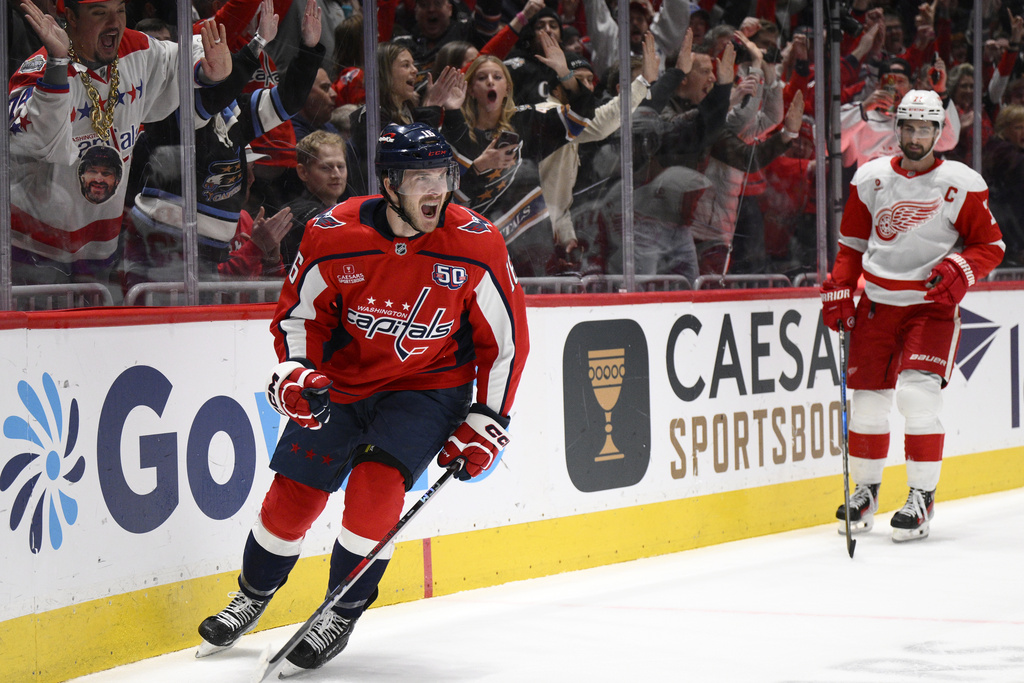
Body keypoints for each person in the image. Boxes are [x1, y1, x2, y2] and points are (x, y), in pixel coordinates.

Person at [196, 122, 530, 673]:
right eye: (422, 178)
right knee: (295, 494)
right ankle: (252, 595)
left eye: (443, 176)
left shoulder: (476, 241)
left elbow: (507, 340)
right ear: (391, 183)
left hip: (427, 385)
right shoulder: (332, 232)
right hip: (343, 381)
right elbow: (300, 315)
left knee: (377, 485)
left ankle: (340, 610)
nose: (438, 191)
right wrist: (297, 372)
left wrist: (489, 416)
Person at [821, 90, 1005, 542]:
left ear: (939, 131)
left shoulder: (962, 183)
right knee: (866, 406)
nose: (916, 136)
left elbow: (991, 246)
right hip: (877, 305)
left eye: (926, 128)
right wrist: (840, 288)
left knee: (918, 400)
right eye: (909, 127)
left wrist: (962, 267)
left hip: (930, 309)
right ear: (898, 129)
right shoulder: (870, 178)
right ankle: (865, 491)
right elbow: (851, 247)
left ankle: (921, 497)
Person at [8, 0, 230, 299]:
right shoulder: (39, 68)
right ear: (71, 17)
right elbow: (40, 141)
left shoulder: (134, 48)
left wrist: (209, 71)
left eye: (121, 9)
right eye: (100, 12)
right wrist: (58, 63)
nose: (114, 22)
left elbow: (184, 55)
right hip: (32, 249)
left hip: (101, 247)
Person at [280, 130, 353, 265]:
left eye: (341, 166)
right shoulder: (302, 215)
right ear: (303, 172)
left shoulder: (343, 210)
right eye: (326, 168)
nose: (336, 174)